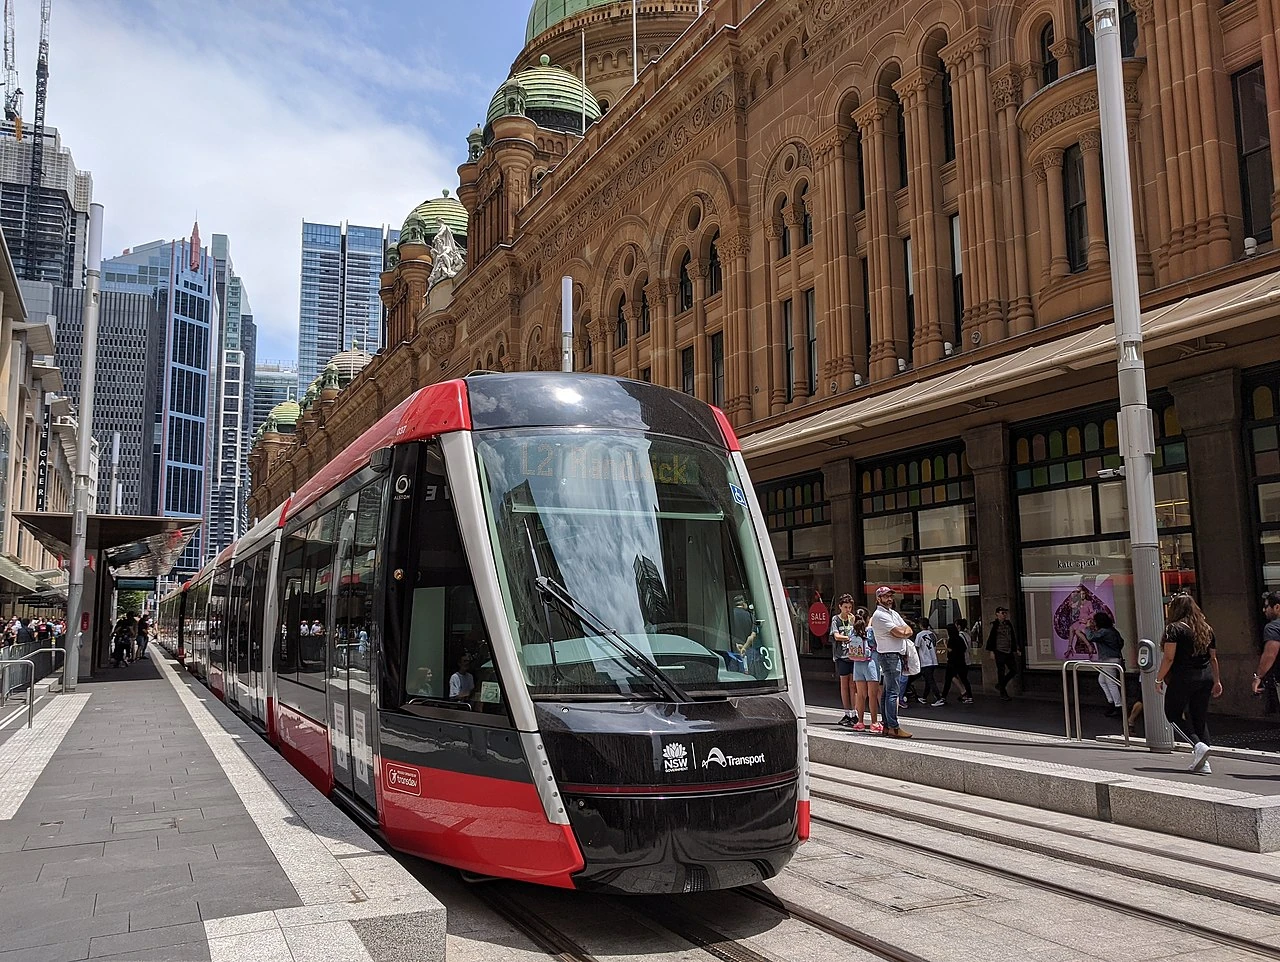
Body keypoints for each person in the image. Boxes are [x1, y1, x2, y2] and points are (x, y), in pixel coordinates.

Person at [1156, 594, 1222, 774]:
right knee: (1199, 717)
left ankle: (1197, 745)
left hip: (1183, 677)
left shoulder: (1174, 629)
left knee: (1172, 714)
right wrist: (1217, 680)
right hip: (1205, 676)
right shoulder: (1207, 628)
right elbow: (1213, 658)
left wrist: (1159, 678)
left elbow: (1169, 657)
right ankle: (1204, 762)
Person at [869, 586, 913, 739]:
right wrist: (903, 632)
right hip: (889, 656)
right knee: (893, 692)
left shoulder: (892, 613)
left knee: (888, 692)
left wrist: (903, 632)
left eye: (890, 596)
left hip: (893, 655)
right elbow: (900, 632)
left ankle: (887, 726)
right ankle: (894, 727)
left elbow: (908, 629)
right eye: (885, 596)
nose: (889, 599)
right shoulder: (879, 615)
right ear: (878, 599)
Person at [1086, 610, 1126, 716]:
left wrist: (1088, 628)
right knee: (1102, 680)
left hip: (1108, 659)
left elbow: (1090, 637)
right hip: (1114, 657)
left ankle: (1118, 705)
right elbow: (1121, 642)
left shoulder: (1104, 632)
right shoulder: (1113, 631)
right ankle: (1112, 702)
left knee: (1110, 682)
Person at [847, 606, 880, 732]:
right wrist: (870, 623)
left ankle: (860, 722)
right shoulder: (870, 631)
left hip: (857, 665)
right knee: (872, 695)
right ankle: (874, 723)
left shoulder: (852, 632)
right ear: (867, 619)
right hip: (870, 664)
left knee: (860, 695)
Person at [830, 594, 858, 727]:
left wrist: (853, 623)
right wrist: (848, 638)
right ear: (840, 606)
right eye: (845, 607)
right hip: (841, 655)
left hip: (853, 655)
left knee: (853, 685)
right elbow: (836, 636)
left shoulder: (853, 619)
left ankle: (854, 713)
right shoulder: (836, 619)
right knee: (844, 684)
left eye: (850, 607)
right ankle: (847, 712)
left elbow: (858, 633)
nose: (848, 610)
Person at [985, 607, 1023, 701]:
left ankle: (1001, 684)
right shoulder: (995, 625)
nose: (1004, 615)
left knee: (1013, 670)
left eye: (1005, 613)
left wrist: (1015, 649)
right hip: (999, 651)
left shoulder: (1008, 624)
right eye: (1002, 613)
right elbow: (991, 639)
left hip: (1008, 650)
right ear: (997, 614)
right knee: (1001, 671)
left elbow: (1012, 636)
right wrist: (991, 651)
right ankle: (1003, 692)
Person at [1251, 591, 1280, 705]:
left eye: (1266, 606)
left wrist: (1258, 677)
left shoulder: (1273, 628)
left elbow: (1270, 654)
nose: (1264, 610)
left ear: (1277, 607)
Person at [937, 620, 974, 705]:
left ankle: (943, 697)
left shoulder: (952, 639)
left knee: (948, 680)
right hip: (961, 662)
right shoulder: (960, 638)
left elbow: (950, 650)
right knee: (964, 679)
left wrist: (945, 645)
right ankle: (969, 696)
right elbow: (964, 649)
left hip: (952, 663)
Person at [914, 620, 942, 705]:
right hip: (933, 659)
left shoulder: (919, 635)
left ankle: (938, 697)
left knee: (930, 680)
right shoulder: (932, 634)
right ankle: (924, 697)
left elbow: (916, 647)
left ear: (921, 625)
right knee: (928, 679)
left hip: (925, 660)